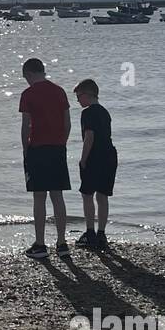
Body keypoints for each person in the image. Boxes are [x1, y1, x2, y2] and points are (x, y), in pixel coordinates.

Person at [18, 58, 71, 256]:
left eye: (26, 78)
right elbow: (67, 123)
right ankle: (62, 242)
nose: (26, 81)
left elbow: (26, 126)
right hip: (57, 148)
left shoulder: (28, 94)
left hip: (37, 149)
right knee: (57, 195)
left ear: (30, 74)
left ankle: (40, 243)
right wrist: (62, 143)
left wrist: (25, 150)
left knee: (39, 197)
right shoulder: (59, 91)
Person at [72, 79, 117, 248]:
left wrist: (83, 159)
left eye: (79, 96)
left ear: (87, 94)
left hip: (95, 156)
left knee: (87, 194)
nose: (78, 101)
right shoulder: (105, 112)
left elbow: (89, 137)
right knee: (103, 195)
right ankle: (101, 233)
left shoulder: (88, 113)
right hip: (109, 155)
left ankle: (90, 232)